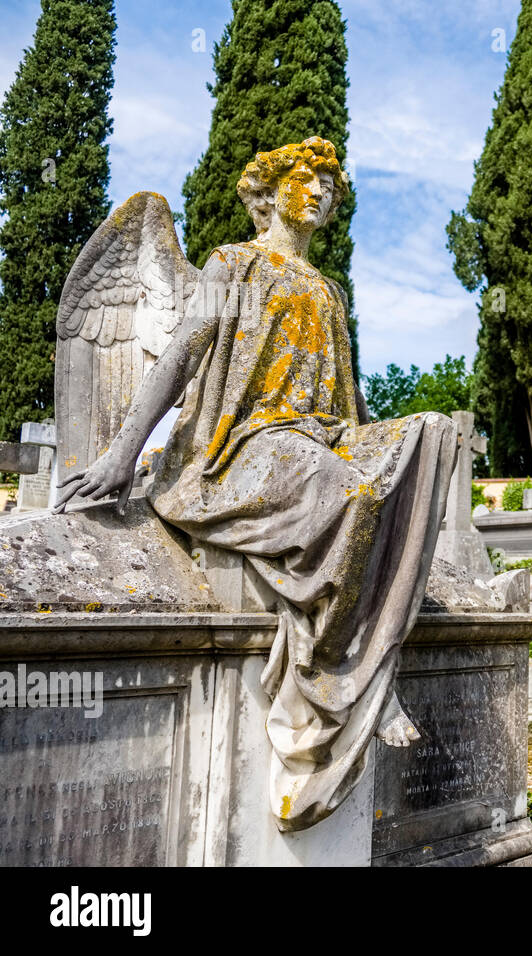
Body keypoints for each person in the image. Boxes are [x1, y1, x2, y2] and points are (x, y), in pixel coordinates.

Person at [55, 138, 458, 831]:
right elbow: (182, 352)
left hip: (319, 440)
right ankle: (341, 674)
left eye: (332, 185)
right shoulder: (232, 264)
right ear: (268, 192)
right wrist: (123, 453)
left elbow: (348, 402)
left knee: (434, 431)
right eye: (309, 178)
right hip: (240, 449)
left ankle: (370, 653)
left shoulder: (328, 291)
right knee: (348, 492)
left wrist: (375, 453)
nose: (323, 192)